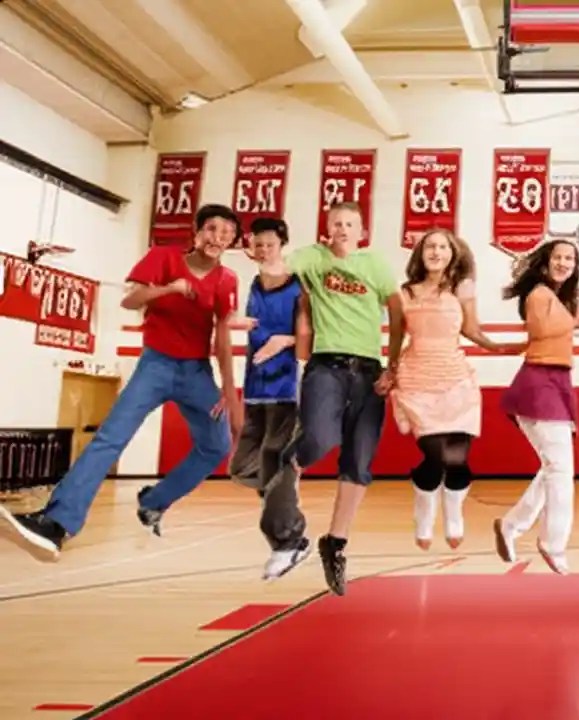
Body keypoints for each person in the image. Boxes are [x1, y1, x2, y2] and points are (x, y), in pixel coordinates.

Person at [0, 205, 243, 561]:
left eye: (225, 233)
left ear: (232, 241)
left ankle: (155, 500)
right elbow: (131, 299)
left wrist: (228, 390)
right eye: (210, 228)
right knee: (110, 439)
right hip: (155, 365)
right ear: (196, 232)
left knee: (217, 445)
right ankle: (55, 523)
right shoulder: (163, 257)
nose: (216, 237)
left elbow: (221, 335)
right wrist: (169, 289)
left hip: (196, 373)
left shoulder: (227, 280)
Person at [276, 201, 401, 595]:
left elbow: (399, 316)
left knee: (359, 462)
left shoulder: (375, 266)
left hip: (368, 371)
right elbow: (279, 271)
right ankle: (288, 463)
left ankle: (335, 543)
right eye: (336, 224)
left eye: (350, 224)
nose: (343, 229)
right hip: (326, 365)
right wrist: (265, 259)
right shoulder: (313, 258)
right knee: (320, 438)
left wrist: (392, 367)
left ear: (361, 231)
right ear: (327, 229)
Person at [389, 229, 523, 552]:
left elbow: (471, 328)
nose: (436, 251)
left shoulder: (462, 287)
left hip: (455, 378)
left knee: (458, 459)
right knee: (434, 456)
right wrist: (389, 370)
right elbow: (396, 336)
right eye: (430, 246)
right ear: (420, 253)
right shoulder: (405, 292)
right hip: (418, 376)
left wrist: (499, 348)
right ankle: (424, 512)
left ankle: (454, 511)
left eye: (442, 246)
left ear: (453, 253)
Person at [227, 217, 314, 580]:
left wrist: (285, 340)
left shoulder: (299, 286)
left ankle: (288, 542)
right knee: (242, 467)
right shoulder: (253, 283)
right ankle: (286, 494)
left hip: (287, 388)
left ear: (283, 244)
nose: (264, 250)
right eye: (258, 244)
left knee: (272, 461)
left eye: (270, 244)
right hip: (256, 388)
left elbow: (312, 338)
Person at [492, 239, 579, 575]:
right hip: (540, 382)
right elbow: (540, 330)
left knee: (552, 466)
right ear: (545, 263)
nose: (564, 262)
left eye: (570, 258)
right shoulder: (539, 294)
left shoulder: (556, 297)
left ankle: (511, 526)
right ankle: (553, 542)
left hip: (557, 382)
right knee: (560, 470)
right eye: (558, 257)